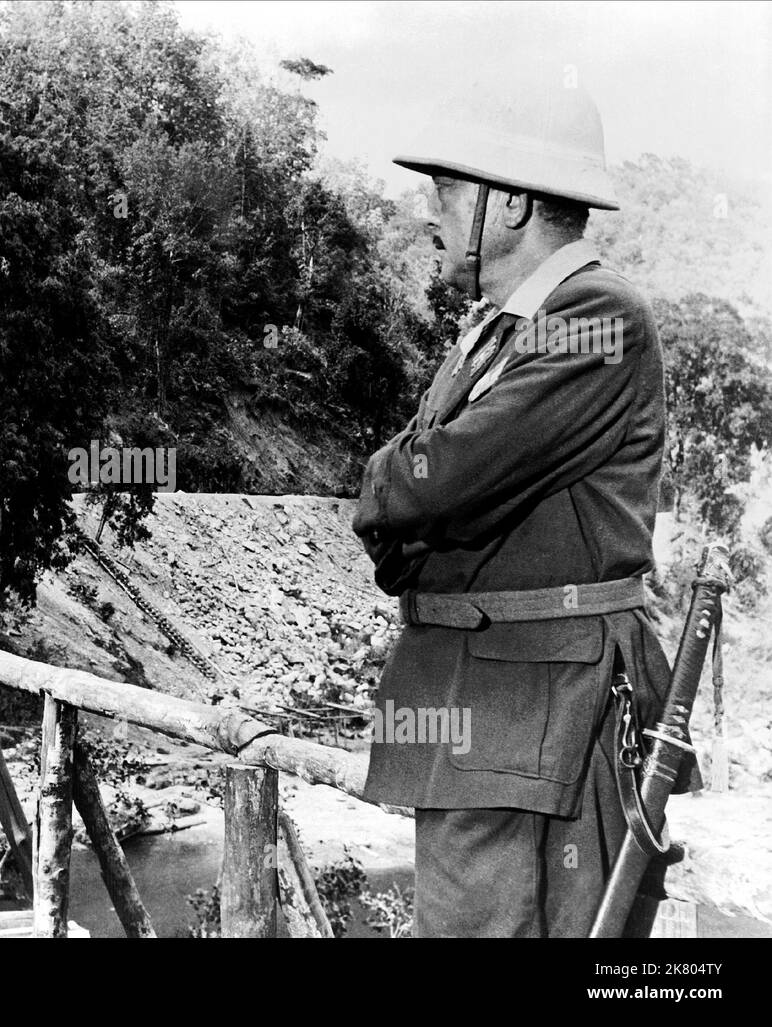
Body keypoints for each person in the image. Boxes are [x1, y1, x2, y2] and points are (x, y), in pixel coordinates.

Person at [352, 77, 692, 937]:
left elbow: (437, 480)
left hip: (540, 709)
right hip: (496, 708)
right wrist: (406, 489)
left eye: (445, 190)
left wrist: (394, 483)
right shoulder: (504, 325)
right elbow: (417, 505)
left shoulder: (596, 316)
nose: (426, 211)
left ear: (504, 205)